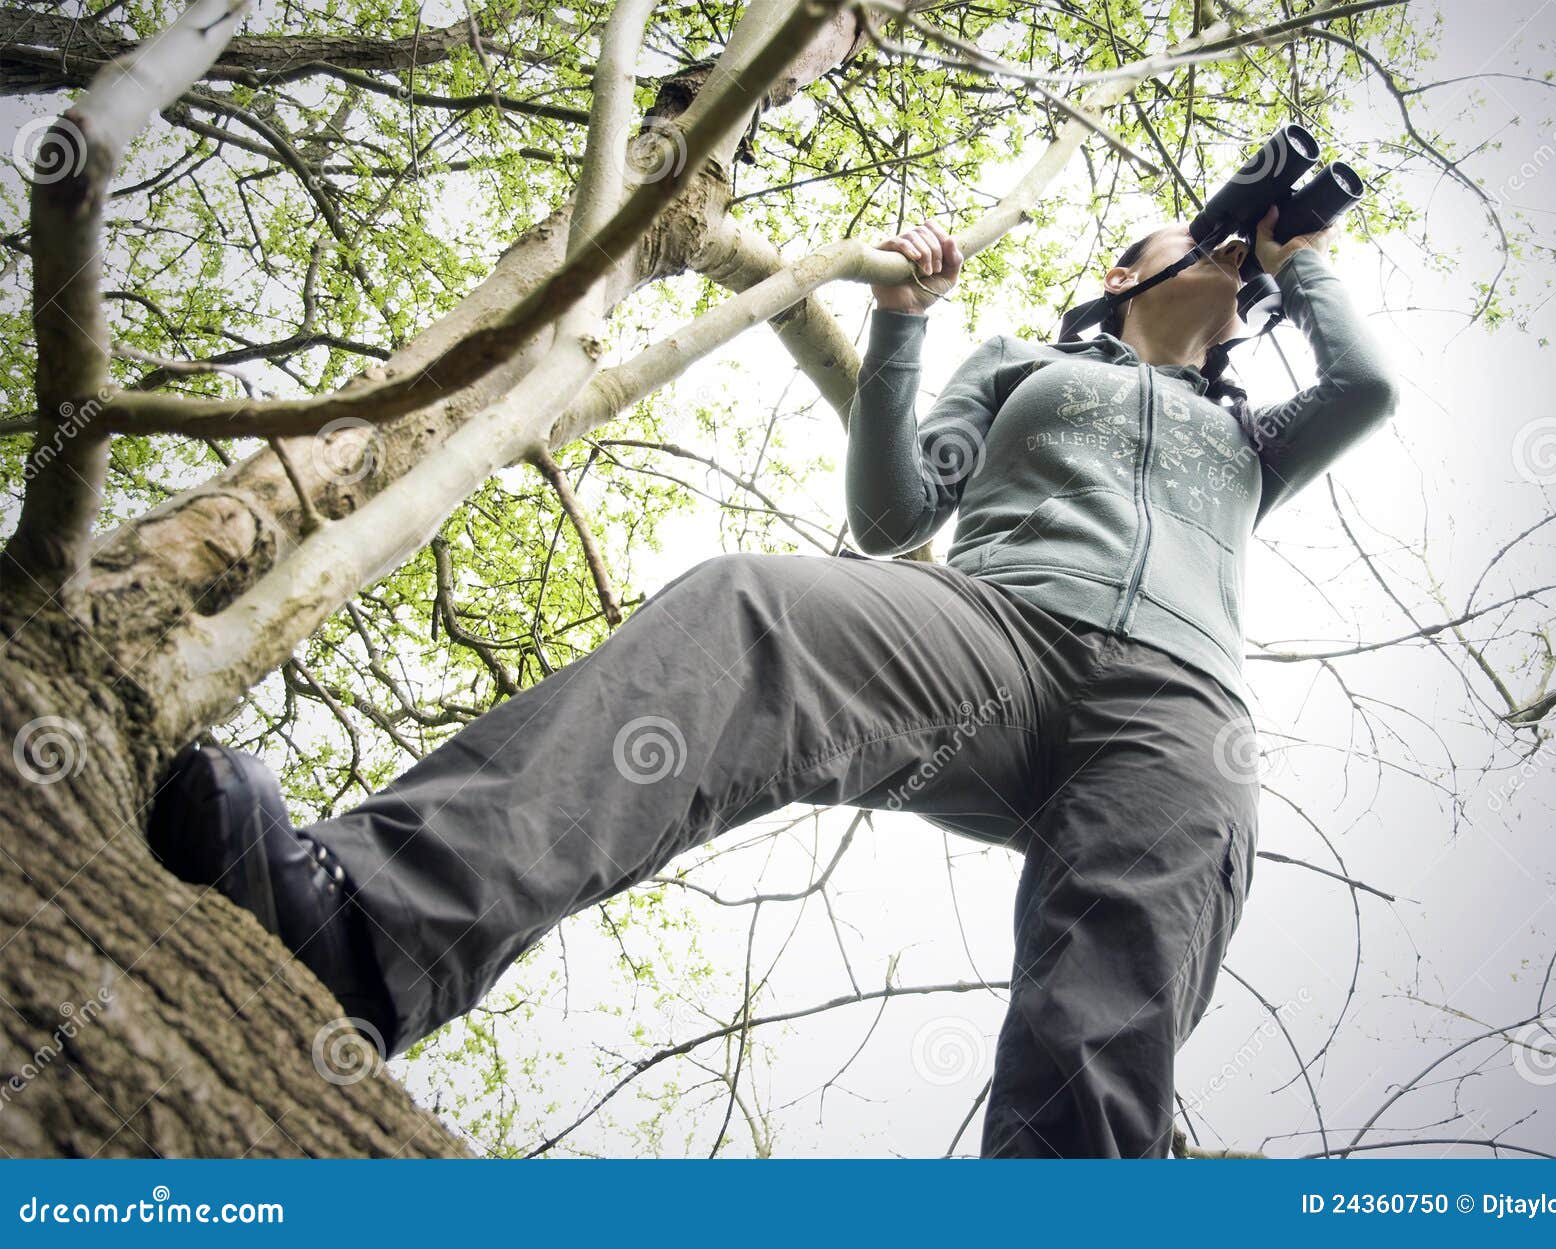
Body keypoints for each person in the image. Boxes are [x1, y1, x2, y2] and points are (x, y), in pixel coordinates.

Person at [147, 204, 1397, 1158]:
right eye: (1206, 243)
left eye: (1244, 262)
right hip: (992, 636)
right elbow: (893, 505)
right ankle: (364, 928)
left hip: (1176, 719)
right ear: (1124, 274)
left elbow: (1367, 384)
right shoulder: (1029, 364)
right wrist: (903, 324)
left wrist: (1298, 254)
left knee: (1101, 1017)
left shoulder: (1252, 438)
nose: (1228, 260)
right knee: (754, 611)